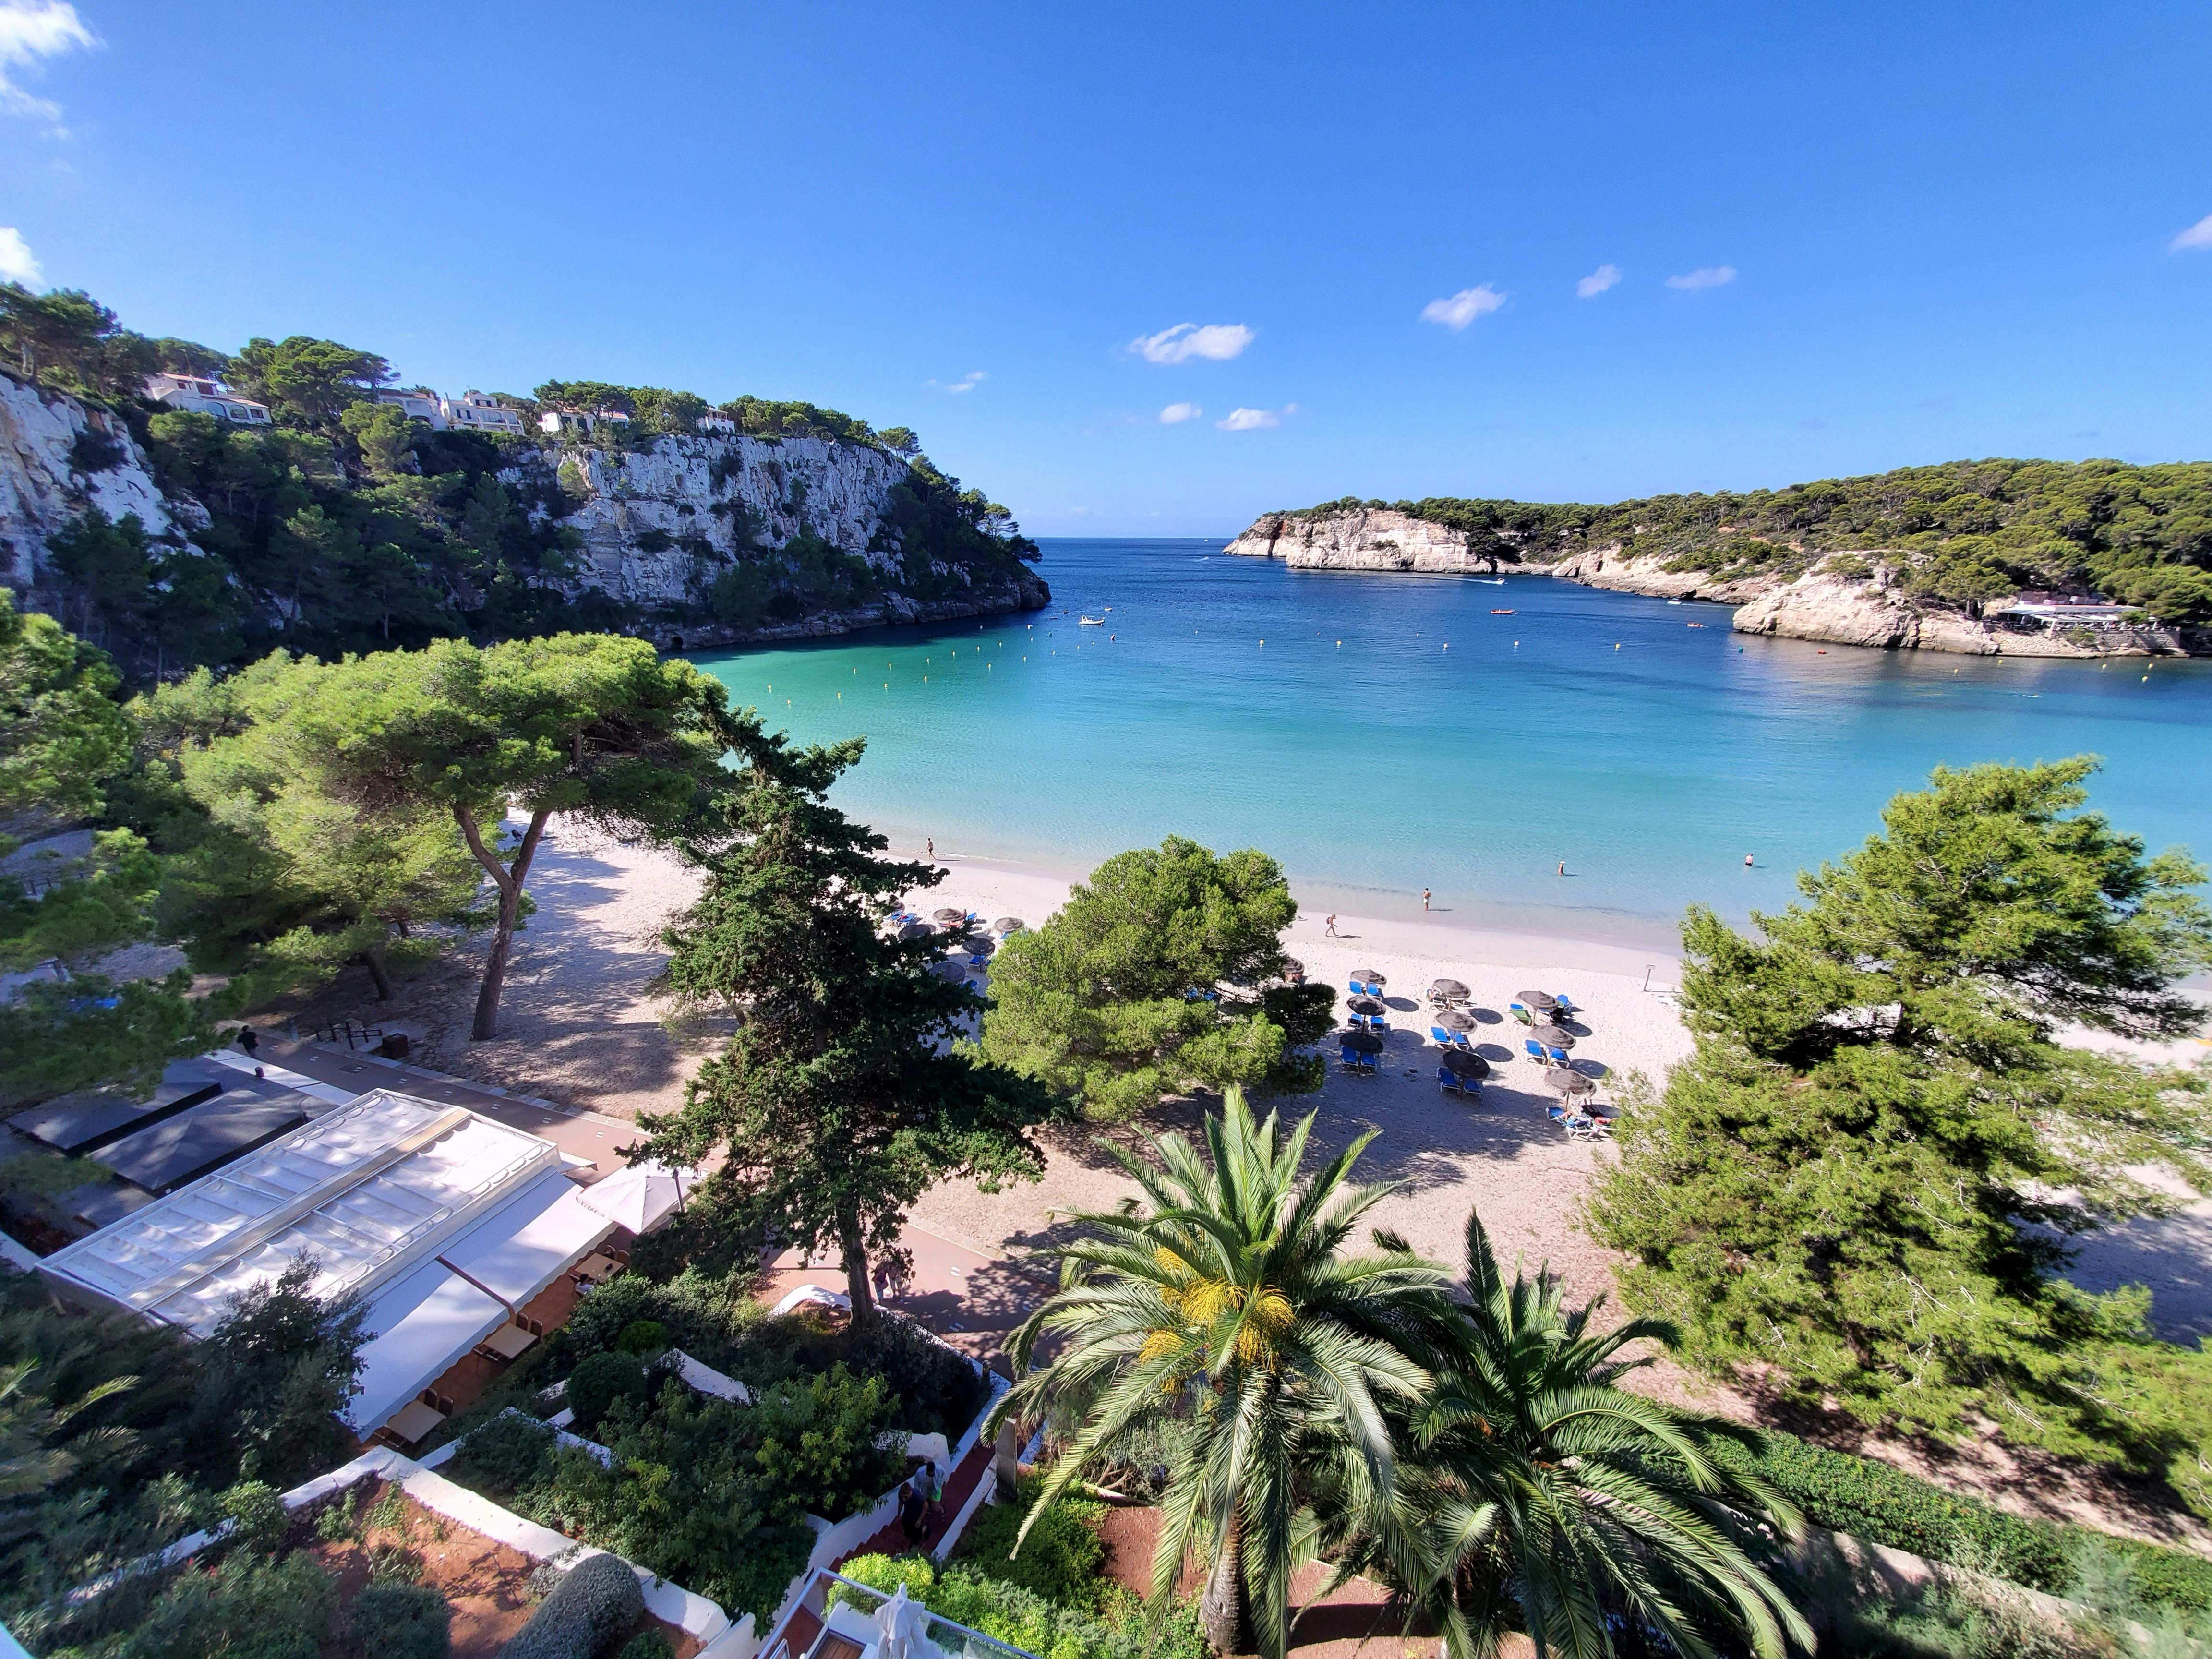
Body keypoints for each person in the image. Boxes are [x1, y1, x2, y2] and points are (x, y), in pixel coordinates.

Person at [897, 1474, 929, 1546]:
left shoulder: (918, 1496)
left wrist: (920, 1520)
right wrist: (899, 1514)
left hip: (917, 1516)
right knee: (907, 1533)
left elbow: (926, 1506)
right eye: (903, 1497)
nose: (904, 1499)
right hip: (907, 1515)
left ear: (910, 1493)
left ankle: (925, 1528)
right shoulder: (901, 1495)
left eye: (906, 1497)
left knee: (918, 1537)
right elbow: (901, 1503)